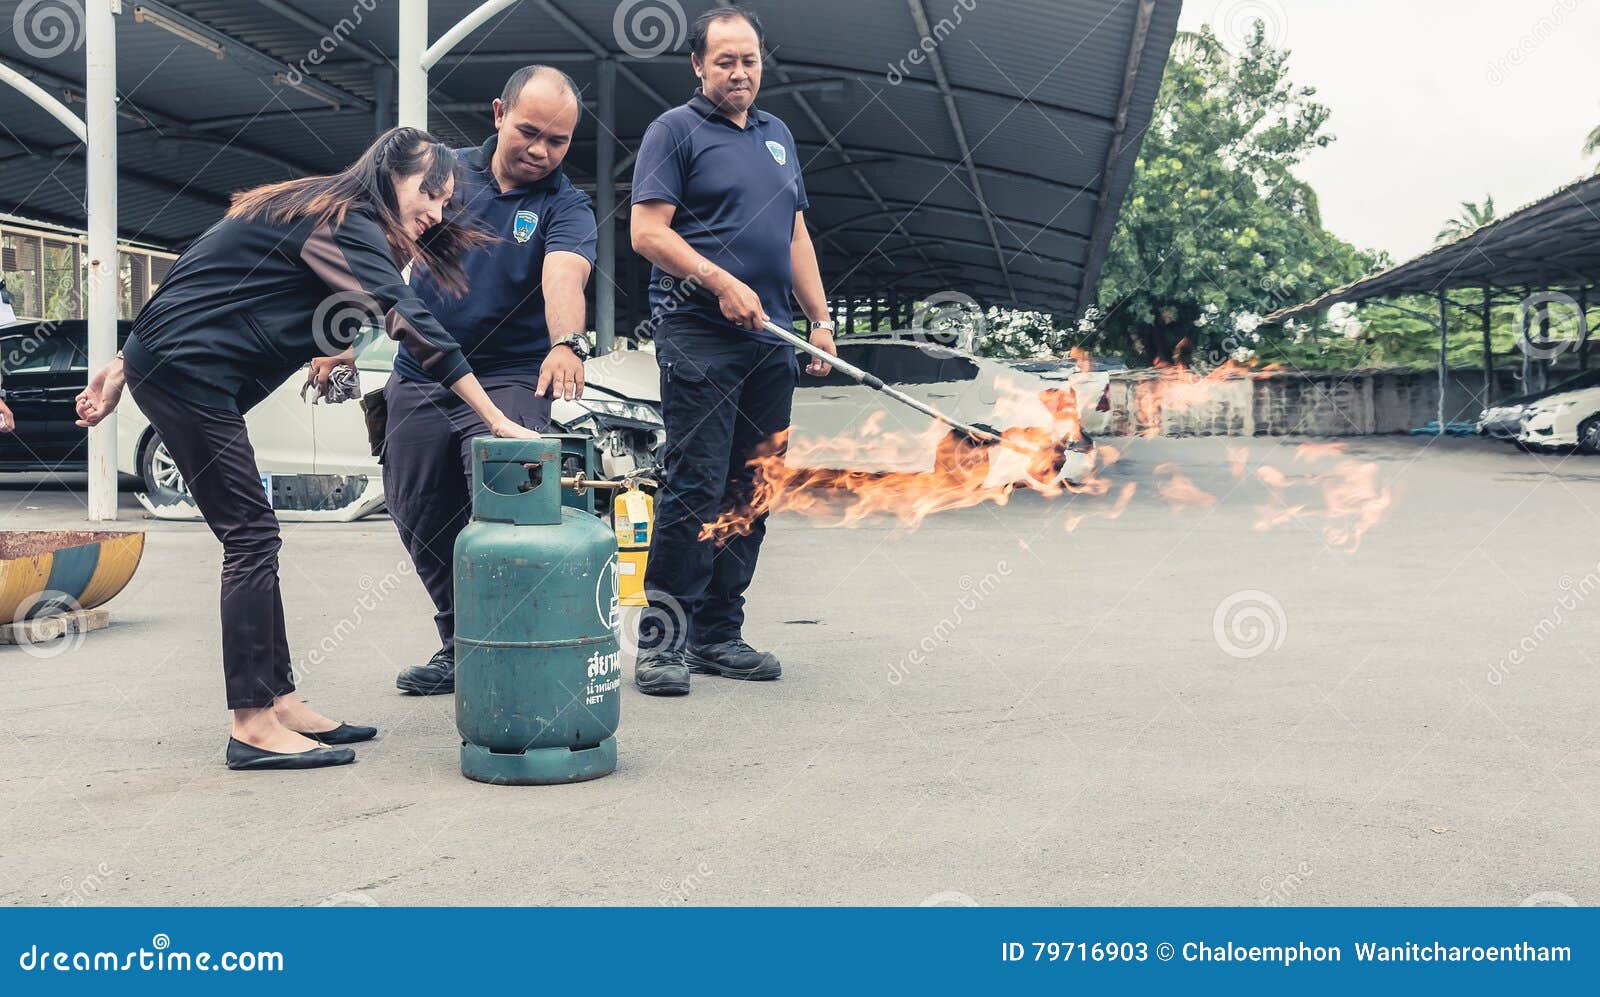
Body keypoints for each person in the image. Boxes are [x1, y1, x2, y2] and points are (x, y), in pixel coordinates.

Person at [75, 127, 539, 771]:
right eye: (430, 192)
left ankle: (279, 702)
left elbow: (205, 267)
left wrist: (124, 362)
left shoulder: (321, 211)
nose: (436, 211)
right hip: (189, 375)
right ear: (389, 173)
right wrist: (496, 417)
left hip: (185, 368)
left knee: (255, 537)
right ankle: (251, 724)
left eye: (445, 199)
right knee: (251, 537)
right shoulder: (346, 219)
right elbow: (410, 321)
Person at [309, 67, 598, 697]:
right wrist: (337, 339)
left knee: (502, 508)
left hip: (513, 377)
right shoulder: (441, 177)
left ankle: (517, 644)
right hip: (422, 370)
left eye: (559, 141)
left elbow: (564, 276)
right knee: (416, 506)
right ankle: (459, 642)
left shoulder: (565, 204)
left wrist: (565, 342)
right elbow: (379, 254)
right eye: (528, 131)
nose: (541, 152)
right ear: (498, 113)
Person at [628, 5, 837, 697]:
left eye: (749, 59)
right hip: (699, 336)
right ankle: (663, 643)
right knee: (697, 484)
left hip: (770, 340)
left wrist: (821, 322)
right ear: (698, 65)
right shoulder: (675, 131)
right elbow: (646, 232)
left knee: (754, 486)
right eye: (725, 60)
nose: (739, 72)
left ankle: (720, 633)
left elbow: (795, 235)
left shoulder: (778, 136)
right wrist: (719, 281)